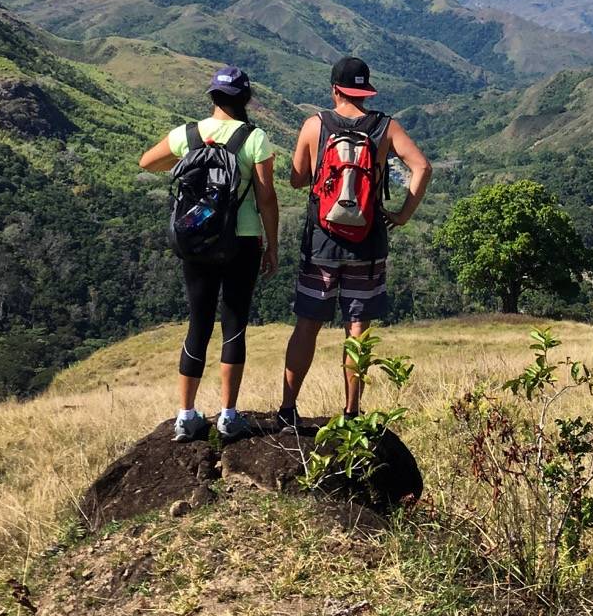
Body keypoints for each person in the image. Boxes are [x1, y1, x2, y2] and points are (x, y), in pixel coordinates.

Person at [279, 56, 430, 429]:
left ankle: (287, 409)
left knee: (308, 323)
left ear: (334, 89)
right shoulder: (385, 126)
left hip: (321, 241)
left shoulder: (315, 125)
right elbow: (422, 167)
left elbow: (297, 180)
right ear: (365, 91)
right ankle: (351, 412)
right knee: (357, 328)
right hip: (368, 240)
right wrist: (403, 214)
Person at [139, 65, 279, 442]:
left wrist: (185, 159)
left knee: (198, 322)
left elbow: (147, 162)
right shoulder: (255, 139)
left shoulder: (188, 134)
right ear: (245, 100)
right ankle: (228, 416)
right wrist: (272, 245)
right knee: (234, 324)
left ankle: (186, 416)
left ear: (213, 98)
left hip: (197, 241)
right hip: (243, 239)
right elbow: (267, 198)